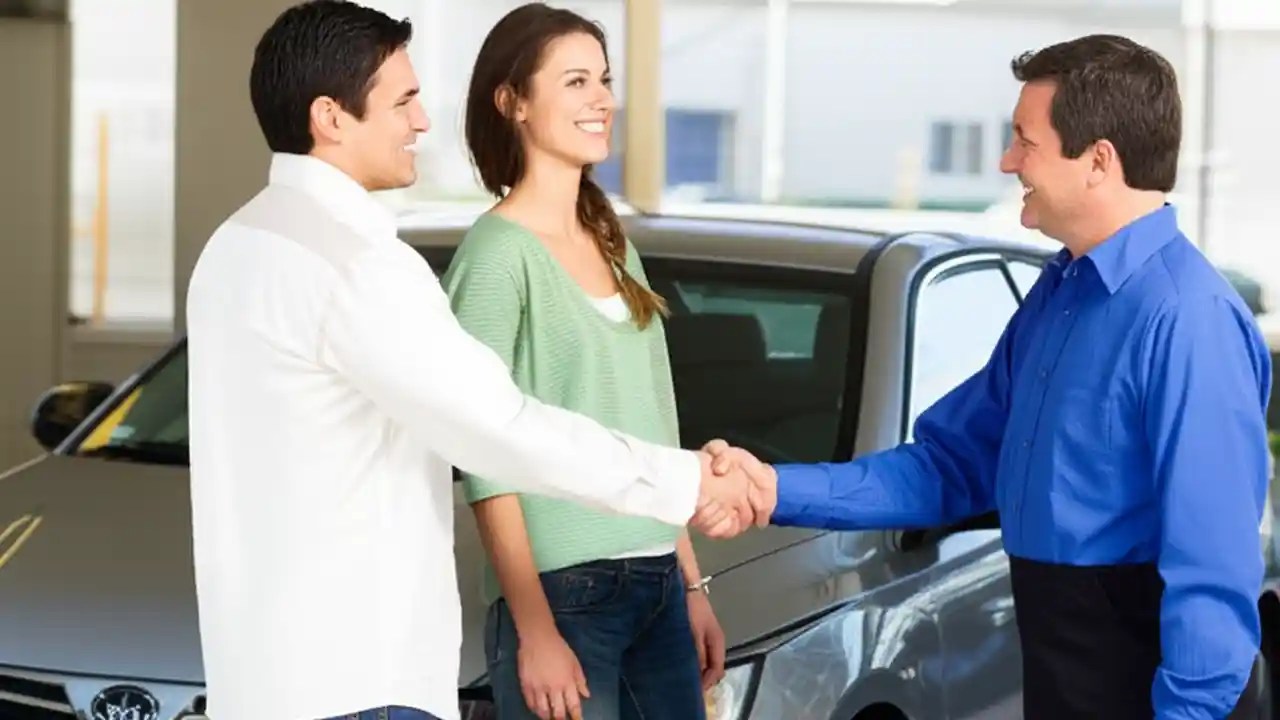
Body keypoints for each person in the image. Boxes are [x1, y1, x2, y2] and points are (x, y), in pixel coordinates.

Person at [183, 3, 768, 720]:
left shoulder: (236, 246)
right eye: (402, 102)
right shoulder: (360, 265)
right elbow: (498, 430)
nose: (421, 122)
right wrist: (686, 482)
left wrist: (685, 568)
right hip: (362, 681)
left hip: (268, 679)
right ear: (332, 118)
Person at [707, 34, 1272, 719]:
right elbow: (950, 468)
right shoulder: (1060, 295)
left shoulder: (1188, 318)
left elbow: (1211, 578)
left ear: (1098, 161)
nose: (1008, 163)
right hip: (1068, 675)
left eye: (1023, 142)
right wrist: (769, 488)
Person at [441, 6, 724, 720]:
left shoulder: (612, 243)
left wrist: (691, 585)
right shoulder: (496, 257)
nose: (602, 98)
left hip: (657, 580)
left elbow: (656, 427)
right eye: (575, 81)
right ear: (514, 103)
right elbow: (483, 455)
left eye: (603, 78)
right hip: (562, 593)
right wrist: (532, 629)